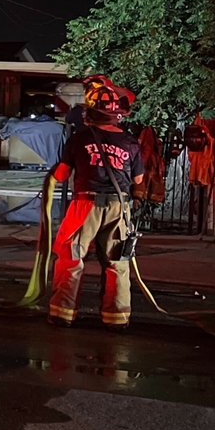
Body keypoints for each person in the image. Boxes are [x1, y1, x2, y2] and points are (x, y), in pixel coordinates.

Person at [48, 85, 145, 331]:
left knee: (70, 257)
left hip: (85, 205)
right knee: (117, 261)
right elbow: (138, 181)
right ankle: (117, 318)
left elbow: (61, 175)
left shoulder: (79, 139)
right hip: (119, 207)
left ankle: (62, 314)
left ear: (91, 111)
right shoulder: (130, 142)